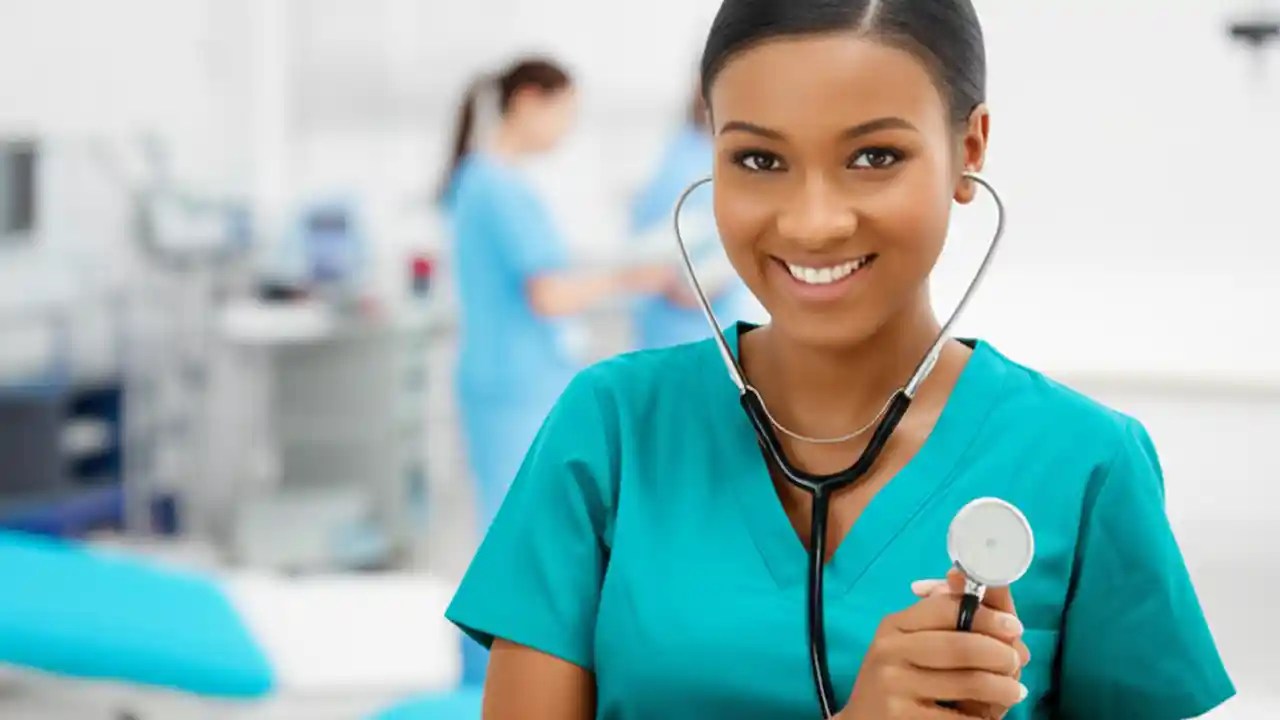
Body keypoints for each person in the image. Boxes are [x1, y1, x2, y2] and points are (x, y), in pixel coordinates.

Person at [445, 4, 1236, 719]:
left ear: (969, 149)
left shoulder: (1085, 464)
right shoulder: (612, 430)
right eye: (759, 161)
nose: (814, 222)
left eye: (873, 157)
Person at [440, 57, 673, 685]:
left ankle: (485, 675)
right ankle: (483, 682)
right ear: (529, 100)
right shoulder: (497, 185)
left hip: (510, 379)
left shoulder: (485, 180)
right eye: (565, 112)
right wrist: (639, 278)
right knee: (514, 541)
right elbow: (549, 295)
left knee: (515, 533)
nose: (567, 129)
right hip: (512, 385)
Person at [628, 84, 759, 348]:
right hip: (688, 328)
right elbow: (658, 256)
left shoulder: (689, 153)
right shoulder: (689, 164)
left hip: (704, 325)